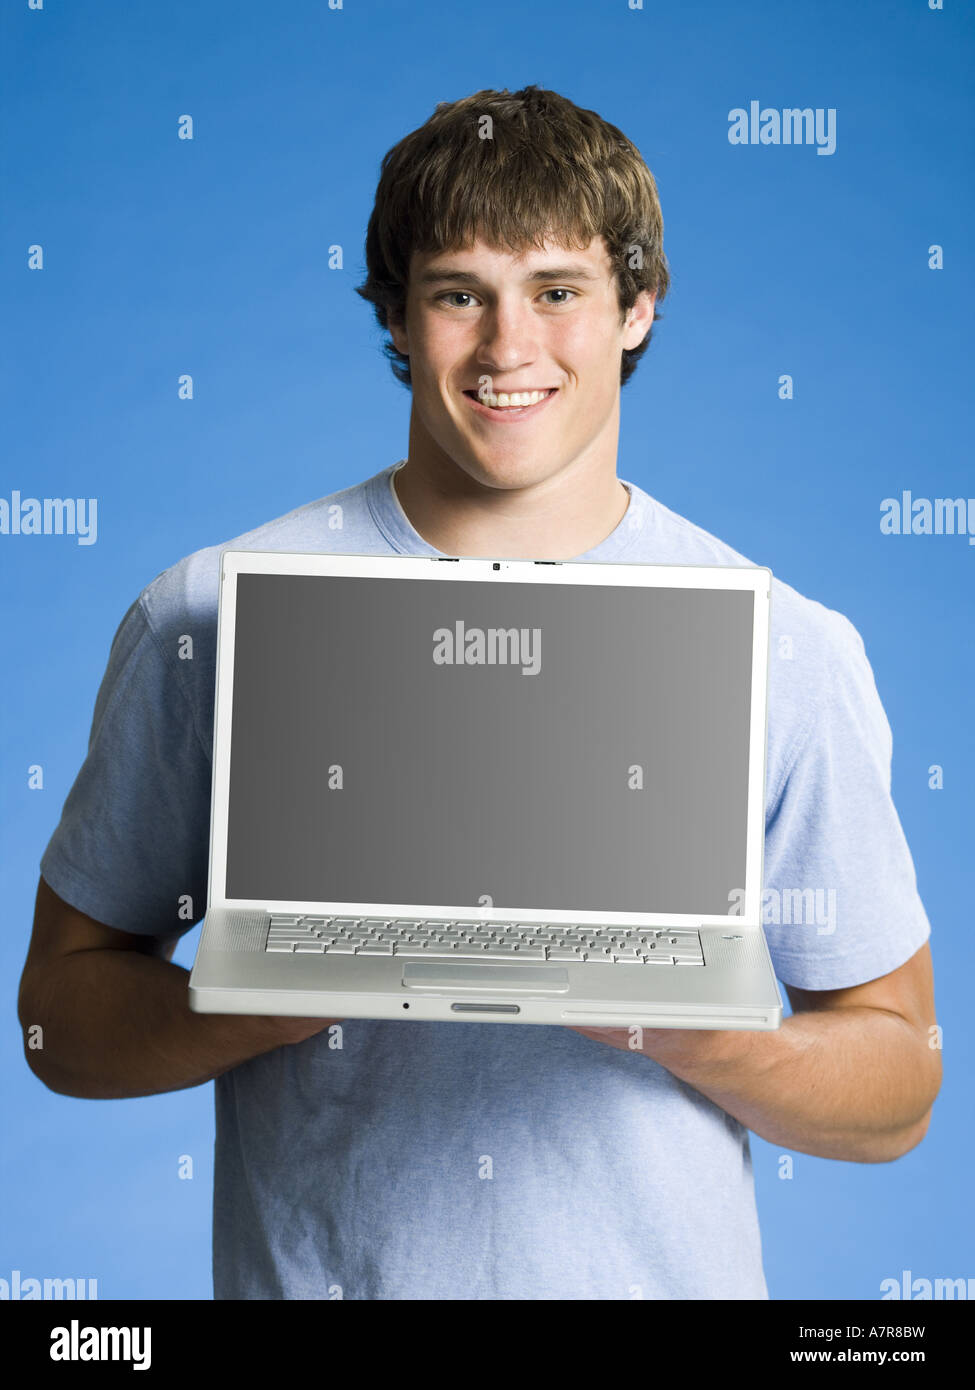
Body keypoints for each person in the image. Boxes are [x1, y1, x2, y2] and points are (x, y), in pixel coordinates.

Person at [19, 86, 940, 1300]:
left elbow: (897, 1083)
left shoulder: (784, 644)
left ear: (637, 308)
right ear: (398, 318)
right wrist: (277, 992)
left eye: (559, 291)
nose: (510, 349)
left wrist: (688, 1026)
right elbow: (58, 1022)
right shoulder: (209, 613)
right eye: (461, 293)